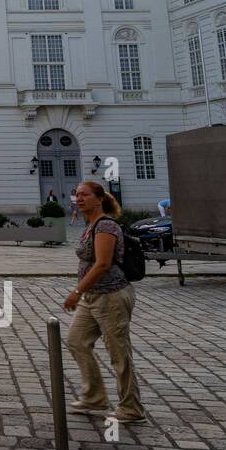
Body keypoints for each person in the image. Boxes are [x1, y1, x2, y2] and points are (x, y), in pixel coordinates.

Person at [64, 180, 146, 424]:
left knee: (119, 352)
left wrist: (77, 292)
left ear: (99, 199)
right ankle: (94, 397)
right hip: (93, 297)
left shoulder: (105, 226)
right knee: (76, 341)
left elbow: (102, 264)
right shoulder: (90, 225)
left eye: (84, 195)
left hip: (111, 296)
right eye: (76, 195)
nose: (79, 199)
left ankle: (132, 408)